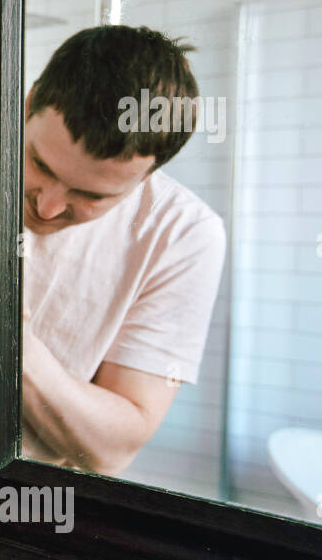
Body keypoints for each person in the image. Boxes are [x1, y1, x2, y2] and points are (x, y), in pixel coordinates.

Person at [20, 25, 226, 477]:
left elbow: (111, 451)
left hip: (15, 510)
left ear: (146, 178)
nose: (48, 206)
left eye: (89, 195)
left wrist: (12, 343)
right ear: (30, 99)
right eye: (39, 164)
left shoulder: (183, 233)